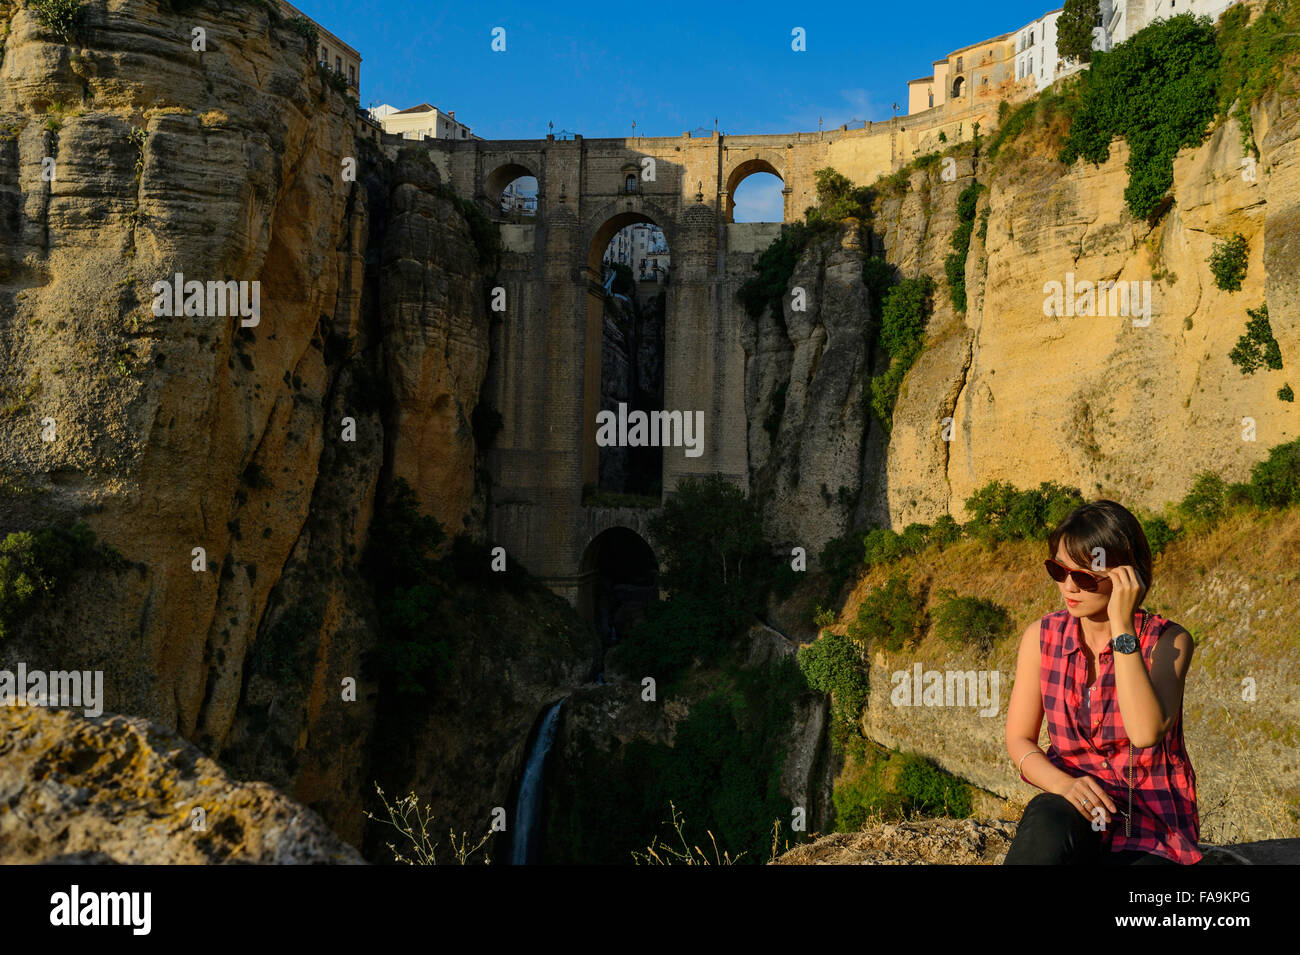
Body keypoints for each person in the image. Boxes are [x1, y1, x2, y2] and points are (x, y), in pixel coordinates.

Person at [1003, 500, 1200, 864]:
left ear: (1127, 577)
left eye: (1084, 576)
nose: (1068, 586)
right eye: (1058, 570)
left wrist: (1122, 626)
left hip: (1151, 826)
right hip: (1074, 809)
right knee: (1045, 819)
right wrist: (1064, 785)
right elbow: (1019, 738)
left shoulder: (1169, 642)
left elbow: (1144, 732)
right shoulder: (1041, 637)